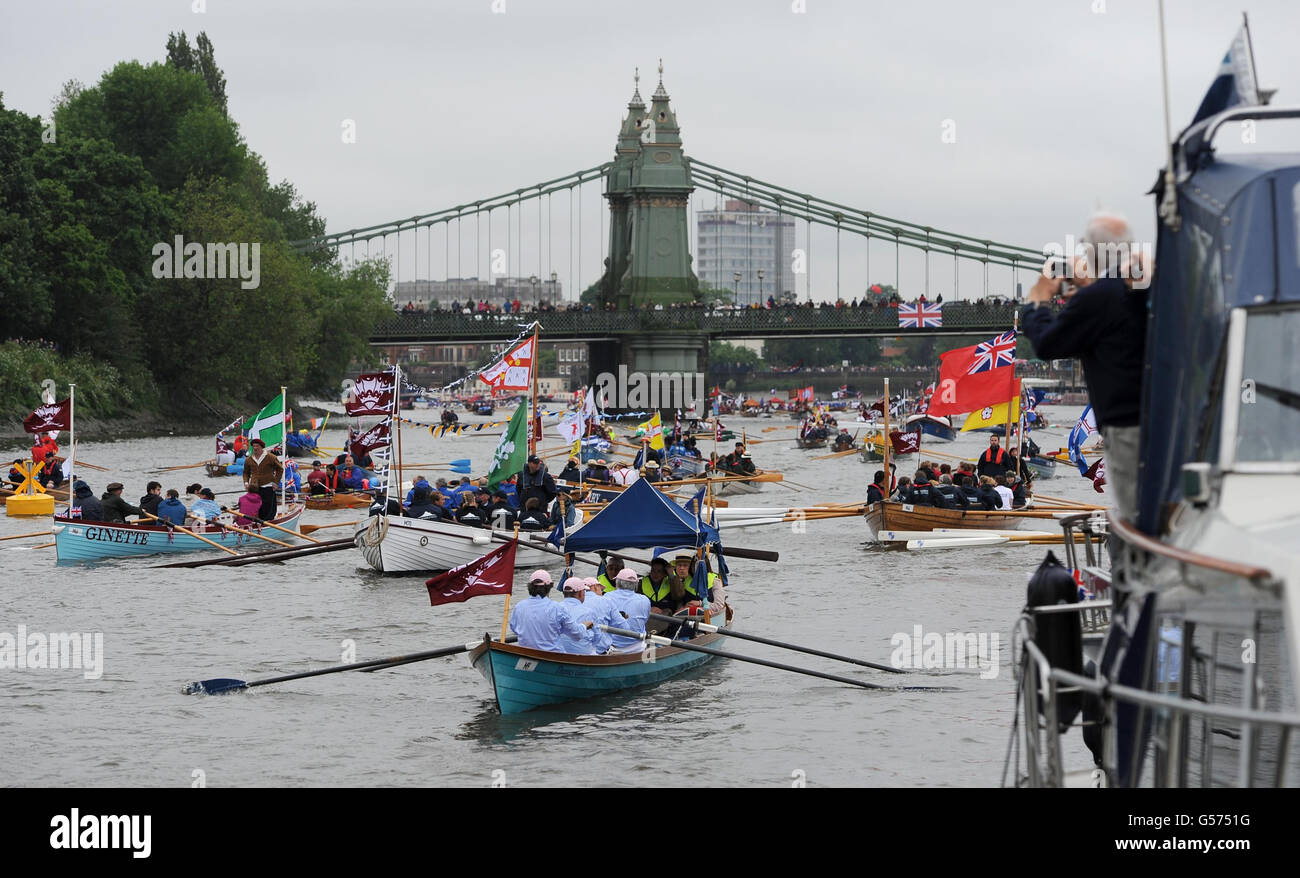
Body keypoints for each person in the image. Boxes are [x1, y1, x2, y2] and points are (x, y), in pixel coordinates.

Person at [1022, 212, 1148, 522]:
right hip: (1167, 422)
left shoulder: (1098, 299)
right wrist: (1095, 285)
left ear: (1091, 251)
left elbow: (1047, 344)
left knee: (1138, 520)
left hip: (1126, 427)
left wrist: (1038, 298)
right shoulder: (1148, 287)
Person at [509, 570, 594, 653]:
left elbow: (514, 628)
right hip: (553, 656)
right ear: (549, 588)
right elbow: (577, 635)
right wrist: (584, 626)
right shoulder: (557, 608)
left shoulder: (518, 607)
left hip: (526, 654)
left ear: (530, 587)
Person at [603, 568, 652, 653]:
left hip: (613, 647)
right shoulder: (645, 600)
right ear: (636, 585)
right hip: (638, 647)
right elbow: (645, 620)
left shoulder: (607, 597)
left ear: (617, 582)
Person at [242, 437, 284, 521]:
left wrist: (276, 482)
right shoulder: (248, 459)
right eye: (253, 446)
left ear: (261, 447)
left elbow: (280, 469)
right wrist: (246, 483)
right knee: (255, 504)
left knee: (268, 505)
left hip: (268, 484)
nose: (255, 448)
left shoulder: (271, 457)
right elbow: (246, 472)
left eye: (257, 446)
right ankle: (257, 520)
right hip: (254, 486)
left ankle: (268, 521)